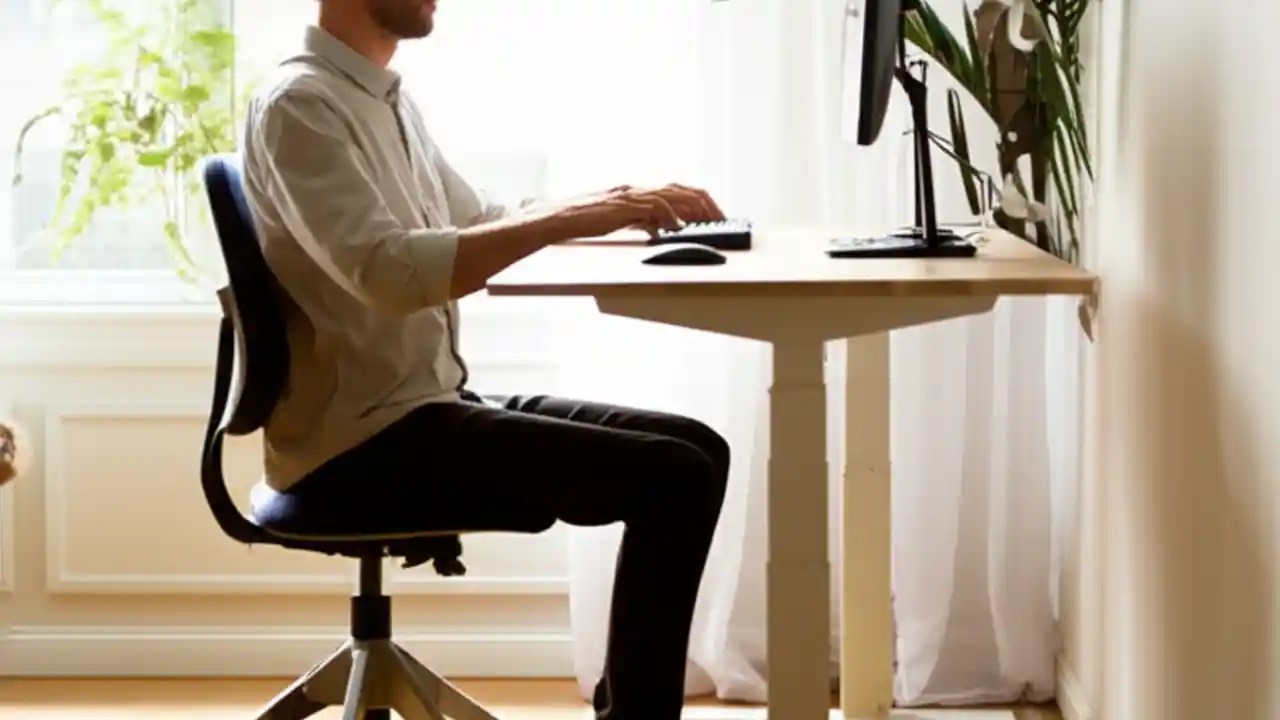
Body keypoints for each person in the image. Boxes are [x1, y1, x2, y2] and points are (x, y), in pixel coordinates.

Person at [239, 1, 731, 718]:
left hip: (425, 406)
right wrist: (580, 218)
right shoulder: (299, 107)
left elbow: (478, 222)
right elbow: (388, 274)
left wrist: (618, 202)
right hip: (357, 444)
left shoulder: (384, 100)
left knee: (698, 448)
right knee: (673, 477)